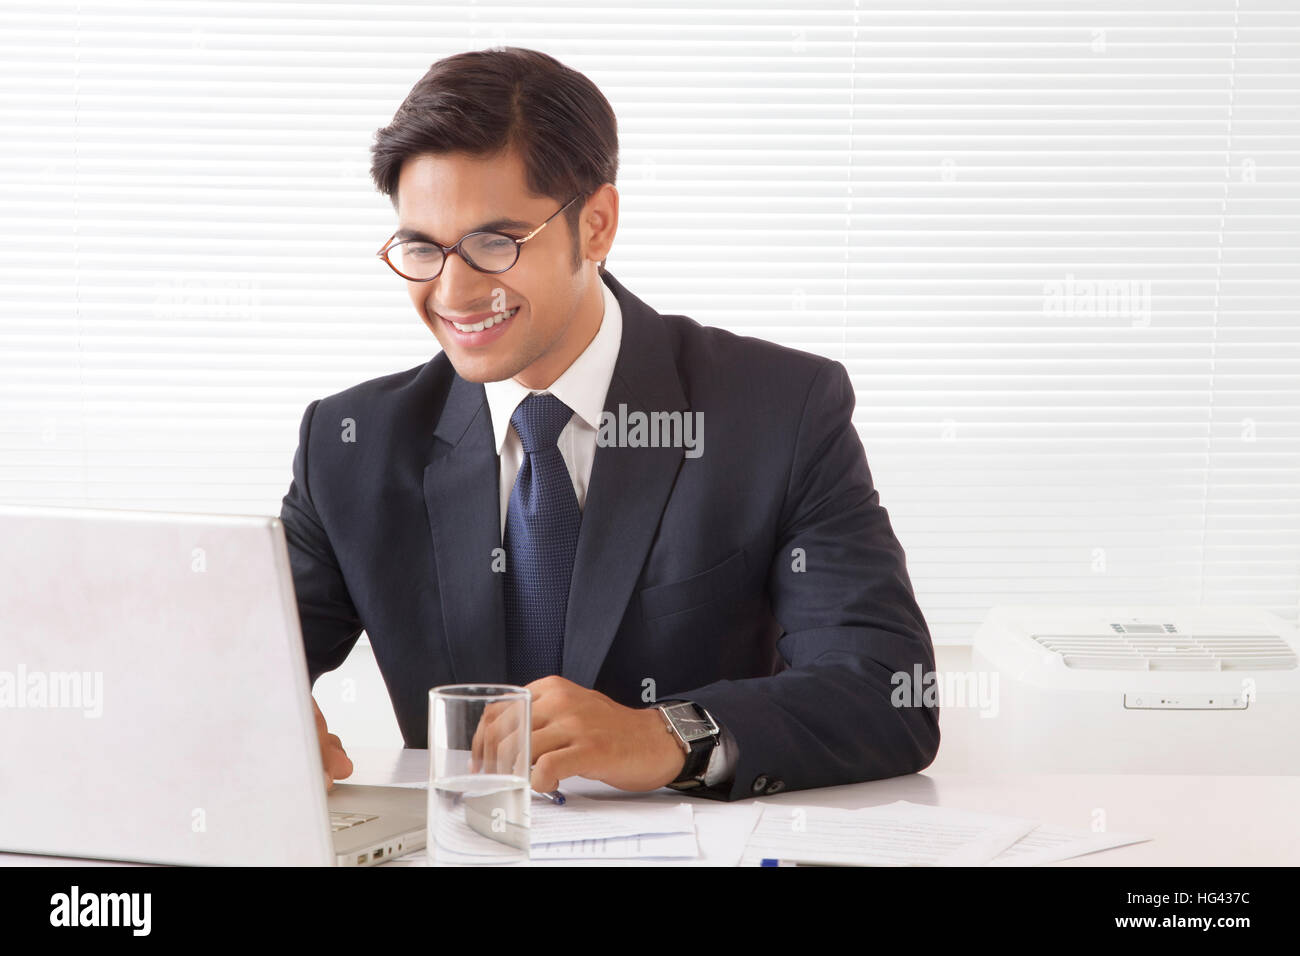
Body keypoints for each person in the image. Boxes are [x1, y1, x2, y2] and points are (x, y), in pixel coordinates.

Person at [283, 46, 939, 803]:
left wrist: (667, 733)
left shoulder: (779, 411)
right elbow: (226, 660)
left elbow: (888, 691)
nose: (453, 292)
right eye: (424, 249)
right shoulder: (350, 445)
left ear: (595, 227)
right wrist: (241, 708)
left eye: (495, 243)